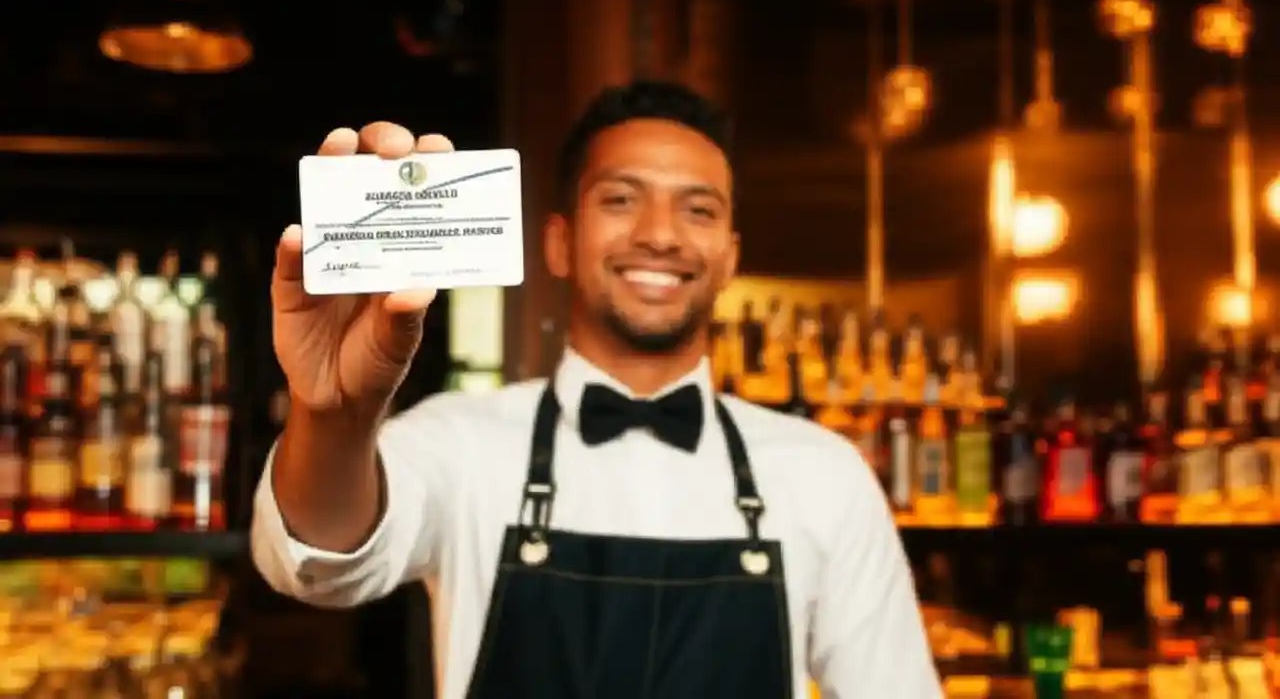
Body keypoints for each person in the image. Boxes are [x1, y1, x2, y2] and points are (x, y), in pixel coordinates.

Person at [252, 81, 942, 699]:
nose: (660, 235)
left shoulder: (826, 474)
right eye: (620, 199)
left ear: (730, 256)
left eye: (698, 210)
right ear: (559, 242)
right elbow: (319, 567)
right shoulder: (459, 442)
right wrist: (334, 414)